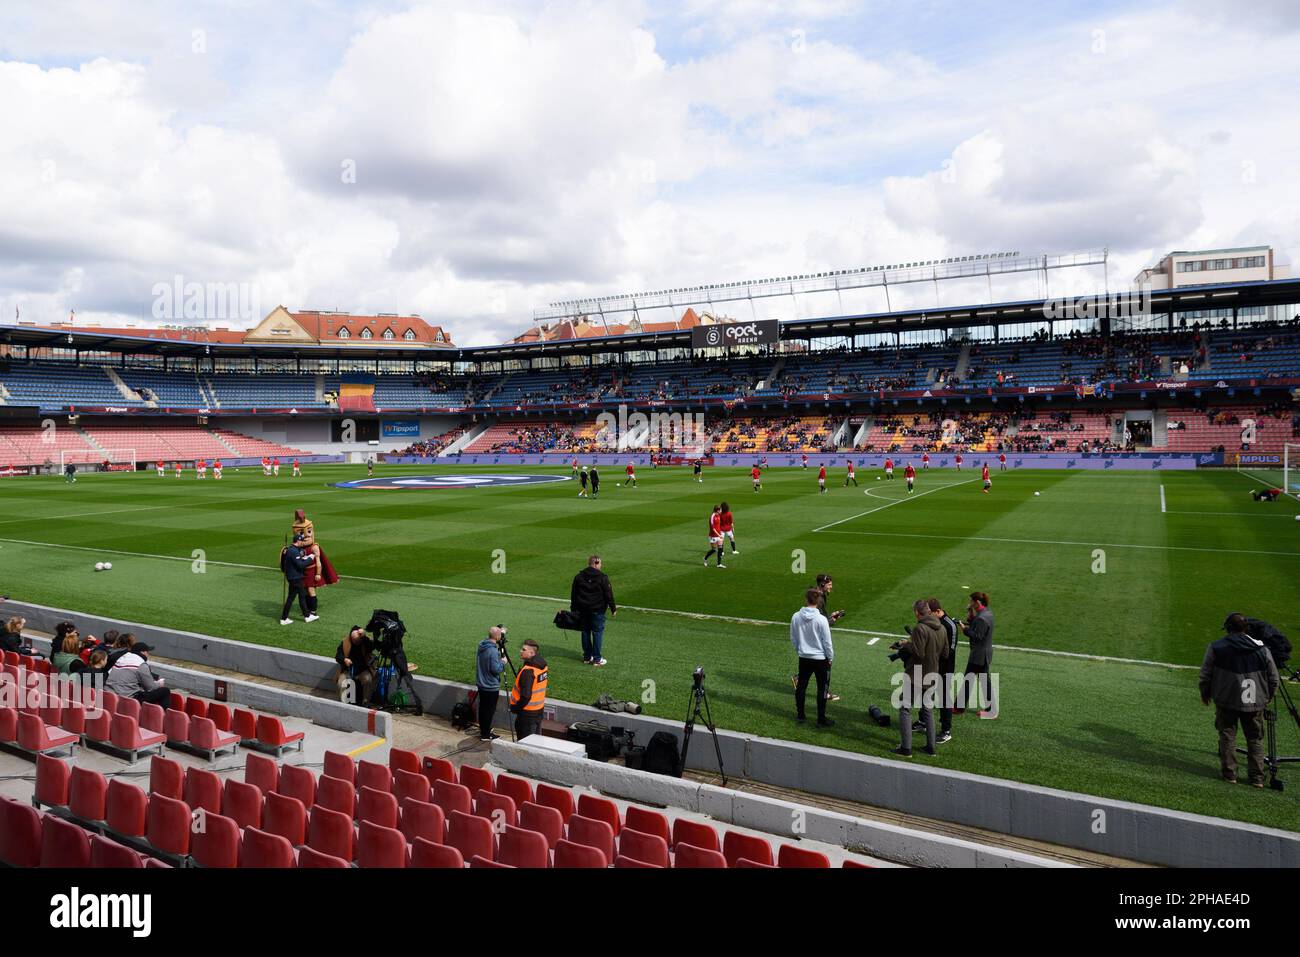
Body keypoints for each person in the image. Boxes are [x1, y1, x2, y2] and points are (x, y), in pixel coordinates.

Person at [1199, 614, 1279, 786]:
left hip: (1226, 700)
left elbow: (1205, 674)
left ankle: (1230, 775)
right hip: (1254, 702)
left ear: (1228, 629)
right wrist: (1267, 697)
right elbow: (1274, 679)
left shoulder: (1217, 647)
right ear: (1246, 628)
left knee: (1227, 736)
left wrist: (1204, 693)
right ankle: (1257, 778)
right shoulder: (1263, 649)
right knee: (1255, 739)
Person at [891, 599, 943, 757]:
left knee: (905, 707)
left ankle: (906, 748)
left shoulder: (920, 628)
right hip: (933, 673)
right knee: (928, 709)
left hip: (917, 675)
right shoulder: (941, 628)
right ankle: (931, 747)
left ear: (917, 613)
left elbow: (919, 653)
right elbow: (945, 652)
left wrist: (906, 645)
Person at [791, 588, 834, 727]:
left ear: (806, 599)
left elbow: (793, 638)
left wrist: (800, 650)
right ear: (819, 601)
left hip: (804, 657)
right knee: (822, 689)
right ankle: (821, 719)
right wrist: (830, 657)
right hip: (820, 659)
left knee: (801, 687)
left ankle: (800, 715)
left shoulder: (796, 616)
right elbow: (827, 642)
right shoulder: (821, 620)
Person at [571, 555, 616, 666]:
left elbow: (574, 594)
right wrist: (613, 608)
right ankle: (597, 659)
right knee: (597, 633)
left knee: (585, 632)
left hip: (582, 610)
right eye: (600, 563)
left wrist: (573, 609)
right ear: (596, 563)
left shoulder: (579, 577)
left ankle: (587, 657)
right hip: (597, 610)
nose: (601, 565)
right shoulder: (602, 577)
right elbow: (608, 594)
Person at [956, 591, 995, 716]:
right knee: (982, 681)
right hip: (984, 653)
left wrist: (965, 630)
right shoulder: (986, 613)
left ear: (977, 602)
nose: (970, 604)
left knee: (970, 679)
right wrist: (970, 613)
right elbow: (976, 624)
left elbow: (977, 636)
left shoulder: (982, 618)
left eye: (972, 602)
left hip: (979, 655)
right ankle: (990, 710)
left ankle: (959, 707)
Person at [292, 509, 338, 610]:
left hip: (311, 571)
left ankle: (313, 610)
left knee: (311, 589)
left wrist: (318, 573)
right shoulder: (298, 547)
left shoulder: (314, 547)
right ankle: (307, 609)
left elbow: (318, 561)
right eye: (302, 533)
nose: (307, 535)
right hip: (301, 571)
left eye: (309, 531)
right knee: (303, 590)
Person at [927, 597, 958, 744]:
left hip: (945, 668)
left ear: (938, 611)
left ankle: (946, 731)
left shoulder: (950, 626)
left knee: (944, 698)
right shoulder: (933, 622)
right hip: (932, 665)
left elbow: (950, 651)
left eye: (930, 613)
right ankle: (923, 721)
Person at [105, 642, 170, 708]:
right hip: (127, 699)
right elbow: (151, 688)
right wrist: (159, 683)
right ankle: (164, 716)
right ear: (143, 652)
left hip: (110, 694)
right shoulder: (140, 663)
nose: (148, 654)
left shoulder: (122, 658)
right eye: (147, 652)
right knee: (165, 691)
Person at [508, 639, 548, 739]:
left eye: (523, 649)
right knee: (535, 742)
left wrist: (516, 708)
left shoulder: (528, 672)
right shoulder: (543, 665)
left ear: (531, 653)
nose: (520, 651)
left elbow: (526, 696)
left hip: (527, 715)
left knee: (525, 744)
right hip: (539, 711)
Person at [279, 532, 319, 625]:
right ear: (298, 541)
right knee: (300, 597)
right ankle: (306, 616)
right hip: (295, 578)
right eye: (301, 541)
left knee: (293, 598)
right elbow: (300, 565)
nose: (303, 543)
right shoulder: (293, 551)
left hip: (293, 577)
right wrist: (311, 558)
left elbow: (298, 561)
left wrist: (306, 557)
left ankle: (285, 618)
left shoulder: (293, 549)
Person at [476, 627, 507, 741]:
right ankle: (485, 734)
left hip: (481, 683)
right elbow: (495, 669)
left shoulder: (482, 645)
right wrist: (503, 663)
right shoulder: (493, 651)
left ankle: (484, 729)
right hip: (490, 686)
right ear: (498, 637)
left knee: (483, 709)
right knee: (489, 710)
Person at [335, 625, 375, 705]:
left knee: (368, 679)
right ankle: (342, 703)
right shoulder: (345, 643)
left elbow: (372, 646)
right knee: (341, 683)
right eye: (354, 641)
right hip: (348, 670)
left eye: (358, 641)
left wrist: (364, 636)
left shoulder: (365, 642)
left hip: (362, 670)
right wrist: (344, 660)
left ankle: (365, 702)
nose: (357, 643)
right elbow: (338, 656)